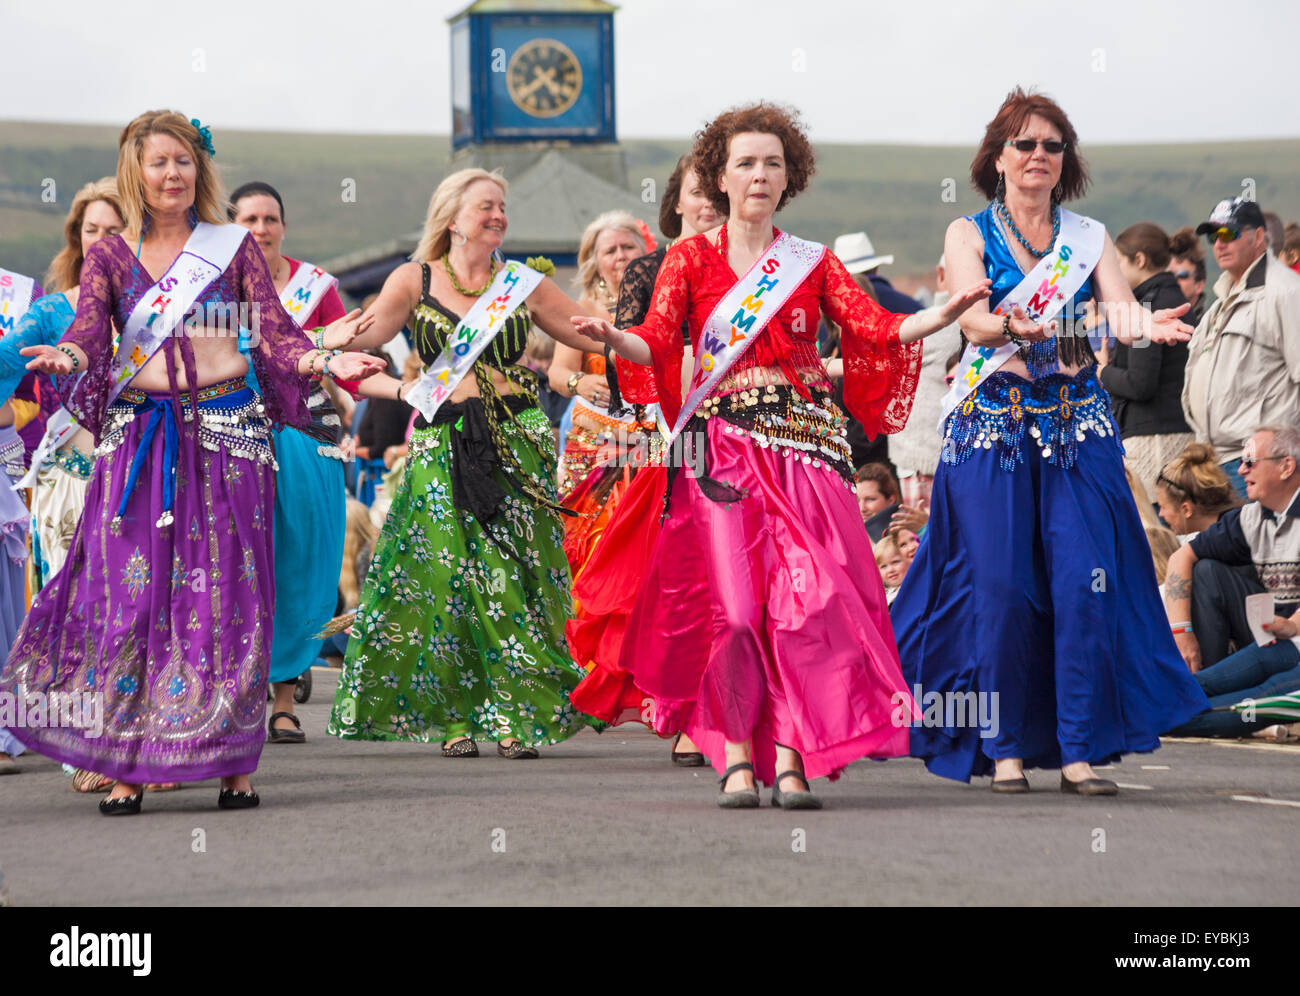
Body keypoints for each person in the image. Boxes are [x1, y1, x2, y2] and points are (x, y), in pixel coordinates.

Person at [574, 101, 993, 809]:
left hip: (806, 451)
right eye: (746, 163)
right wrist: (615, 342)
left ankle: (792, 756)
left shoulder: (813, 261)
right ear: (722, 177)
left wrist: (945, 312)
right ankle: (738, 754)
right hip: (721, 456)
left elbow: (880, 328)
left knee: (807, 607)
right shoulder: (688, 259)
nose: (760, 174)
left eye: (773, 162)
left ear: (788, 176)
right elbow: (654, 338)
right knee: (736, 612)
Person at [2, 110, 384, 815]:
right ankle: (128, 763)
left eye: (184, 161)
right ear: (136, 172)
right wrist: (72, 357)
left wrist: (324, 358)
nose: (172, 174)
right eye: (159, 163)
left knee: (227, 599)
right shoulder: (110, 256)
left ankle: (233, 764)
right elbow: (89, 333)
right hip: (139, 443)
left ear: (198, 171)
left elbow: (274, 336)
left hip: (228, 438)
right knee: (131, 599)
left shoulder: (232, 247)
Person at [890, 88, 1208, 797]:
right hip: (992, 422)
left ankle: (1078, 750)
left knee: (1083, 584)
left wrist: (1144, 328)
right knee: (1001, 589)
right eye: (1025, 144)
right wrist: (1012, 329)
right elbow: (973, 320)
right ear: (998, 156)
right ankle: (1003, 749)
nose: (1039, 156)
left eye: (1052, 145)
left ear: (1066, 161)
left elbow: (1119, 312)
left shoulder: (1089, 236)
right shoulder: (966, 233)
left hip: (1075, 427)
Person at [325, 167, 611, 758]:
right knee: (447, 577)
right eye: (486, 206)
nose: (498, 216)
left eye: (502, 207)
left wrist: (648, 335)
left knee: (513, 571)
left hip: (517, 438)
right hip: (442, 438)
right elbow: (360, 342)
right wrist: (315, 342)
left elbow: (589, 336)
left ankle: (513, 714)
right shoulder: (414, 278)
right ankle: (455, 717)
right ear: (452, 218)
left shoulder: (523, 284)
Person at [564, 156, 719, 766]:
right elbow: (633, 361)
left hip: (744, 432)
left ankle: (724, 707)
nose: (708, 202)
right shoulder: (651, 269)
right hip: (671, 435)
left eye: (716, 191)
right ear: (675, 203)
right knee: (679, 574)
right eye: (696, 192)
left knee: (731, 575)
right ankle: (681, 709)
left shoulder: (758, 265)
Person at [229, 180, 350, 746]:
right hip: (234, 430)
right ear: (232, 226)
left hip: (307, 432)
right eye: (249, 219)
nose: (261, 229)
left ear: (284, 224)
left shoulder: (315, 287)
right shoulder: (215, 286)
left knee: (303, 559)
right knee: (246, 562)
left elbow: (345, 364)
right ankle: (243, 692)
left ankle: (284, 701)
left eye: (270, 218)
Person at [0, 180, 123, 596]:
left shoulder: (160, 313)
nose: (101, 242)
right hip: (69, 484)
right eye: (92, 230)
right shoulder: (51, 310)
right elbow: (4, 365)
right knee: (68, 612)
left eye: (114, 231)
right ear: (78, 236)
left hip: (141, 479)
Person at [1164, 425, 1300, 738]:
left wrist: (1292, 625)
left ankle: (1147, 719)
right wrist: (1182, 633)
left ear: (1286, 466)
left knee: (1257, 700)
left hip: (1289, 641)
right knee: (1202, 684)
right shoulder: (1252, 517)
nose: (1240, 470)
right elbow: (1180, 558)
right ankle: (1137, 706)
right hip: (1280, 642)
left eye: (1250, 461)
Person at [1181, 196, 1300, 498]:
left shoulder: (1285, 293)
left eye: (1229, 234)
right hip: (1215, 460)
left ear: (1259, 236)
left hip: (1261, 462)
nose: (1219, 244)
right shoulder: (1223, 297)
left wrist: (1283, 455)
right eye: (1213, 236)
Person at [548, 211, 650, 498]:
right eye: (610, 250)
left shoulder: (665, 304)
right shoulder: (583, 310)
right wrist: (579, 383)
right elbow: (557, 373)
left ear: (644, 254)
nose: (621, 255)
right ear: (596, 263)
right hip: (595, 440)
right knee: (591, 535)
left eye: (628, 247)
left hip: (654, 441)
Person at [1097, 222, 1193, 496]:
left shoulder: (1148, 306)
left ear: (1139, 260)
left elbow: (1140, 383)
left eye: (1118, 261)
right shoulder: (1172, 297)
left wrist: (1101, 371)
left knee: (1153, 530)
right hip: (1175, 431)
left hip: (1153, 441)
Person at [886, 254, 963, 507]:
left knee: (919, 540)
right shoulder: (985, 323)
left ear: (941, 276)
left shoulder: (925, 325)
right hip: (949, 458)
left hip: (922, 459)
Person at [1153, 441, 1242, 542]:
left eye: (1163, 507)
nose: (1160, 514)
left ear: (1186, 510)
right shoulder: (1233, 527)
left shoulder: (1230, 542)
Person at [1167, 227, 1209, 326]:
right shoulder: (1146, 316)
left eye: (1182, 275)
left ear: (1199, 285)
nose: (1173, 281)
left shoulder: (1211, 325)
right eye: (1168, 275)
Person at [854, 461, 901, 542]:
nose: (862, 508)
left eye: (870, 499)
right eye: (856, 500)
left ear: (890, 500)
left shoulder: (904, 533)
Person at [875, 532, 908, 606]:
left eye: (895, 562)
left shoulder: (912, 588)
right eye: (883, 566)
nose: (890, 570)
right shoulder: (884, 597)